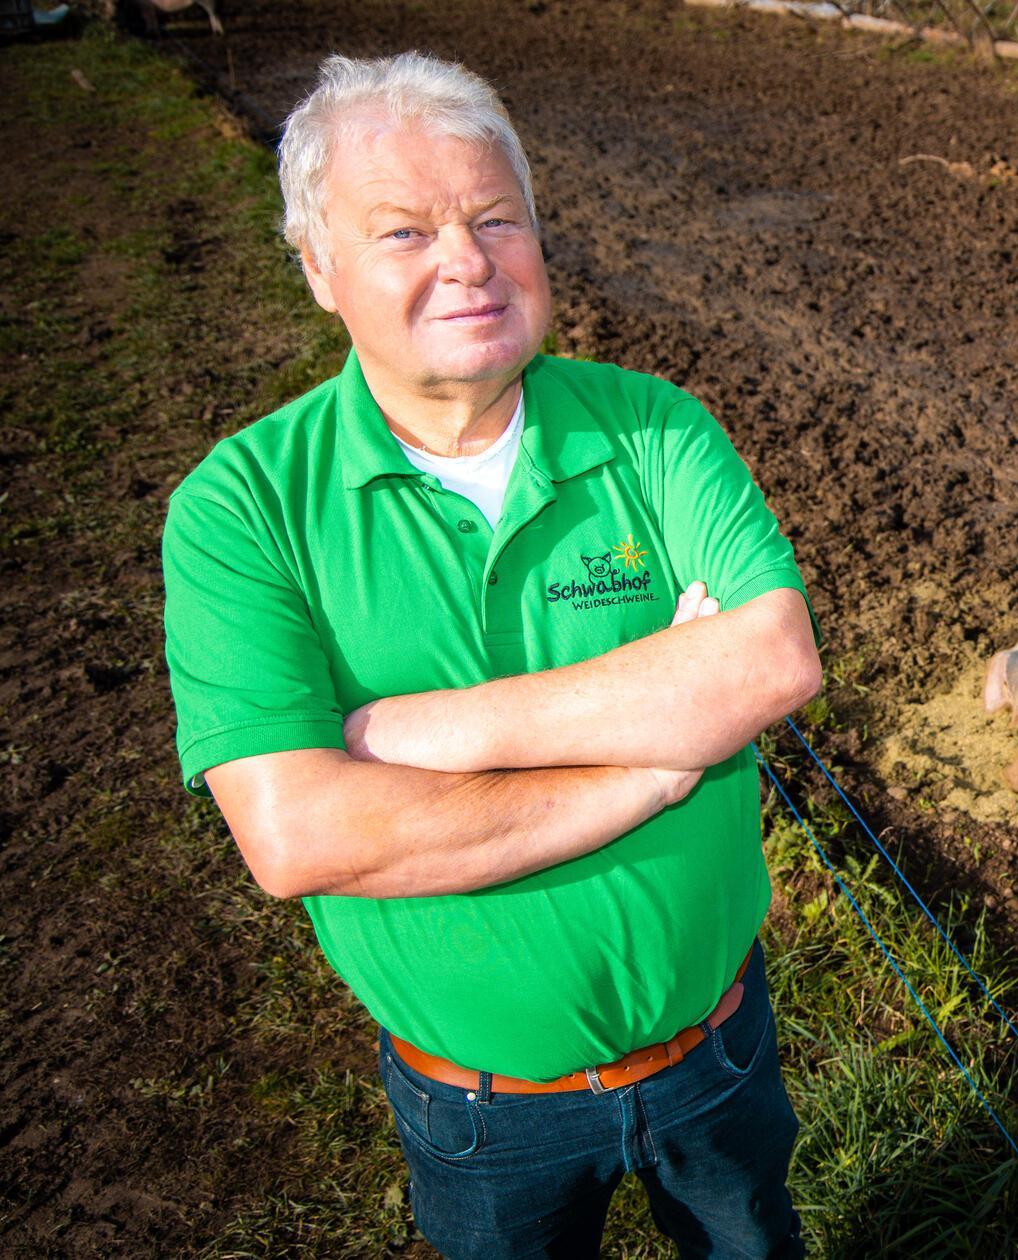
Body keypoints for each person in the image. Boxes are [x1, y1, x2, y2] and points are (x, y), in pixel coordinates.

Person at [160, 51, 820, 1259]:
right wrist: (653, 766)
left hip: (716, 1052)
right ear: (319, 269)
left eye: (494, 218)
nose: (466, 261)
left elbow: (771, 662)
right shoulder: (240, 508)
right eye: (403, 231)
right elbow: (300, 835)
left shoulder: (653, 426)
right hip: (478, 1112)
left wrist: (433, 730)